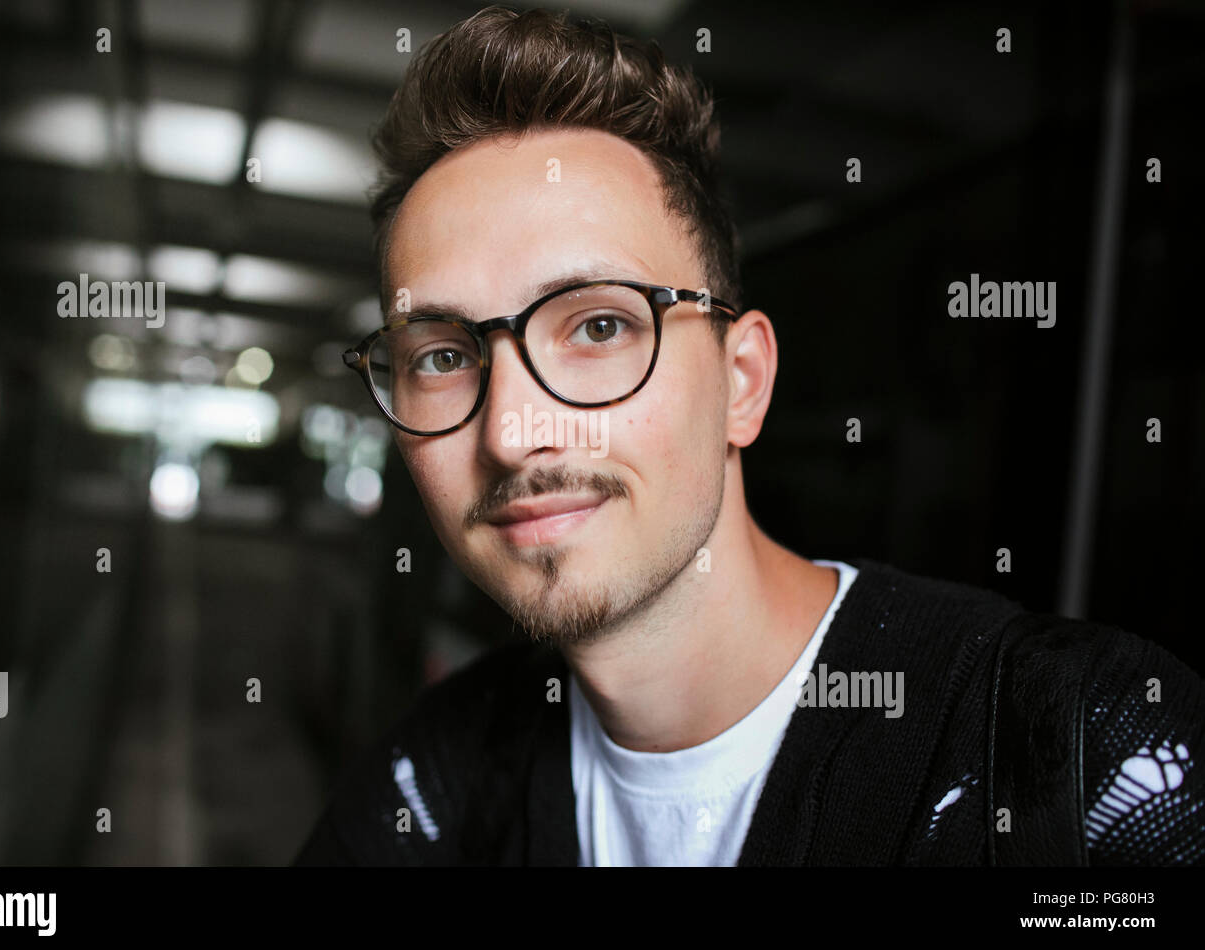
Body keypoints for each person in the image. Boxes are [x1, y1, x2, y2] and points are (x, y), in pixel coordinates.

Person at [295, 5, 1203, 866]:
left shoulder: (1078, 753)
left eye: (600, 327)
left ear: (742, 381)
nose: (509, 432)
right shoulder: (431, 787)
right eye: (445, 355)